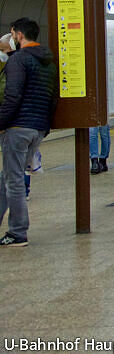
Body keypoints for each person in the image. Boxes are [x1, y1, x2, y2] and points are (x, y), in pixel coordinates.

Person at [0, 17, 56, 247]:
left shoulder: (19, 60)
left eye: (12, 34)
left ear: (18, 34)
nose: (12, 38)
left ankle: (17, 232)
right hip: (37, 127)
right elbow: (53, 97)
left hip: (18, 128)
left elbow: (12, 96)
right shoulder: (48, 61)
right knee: (6, 178)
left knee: (13, 181)